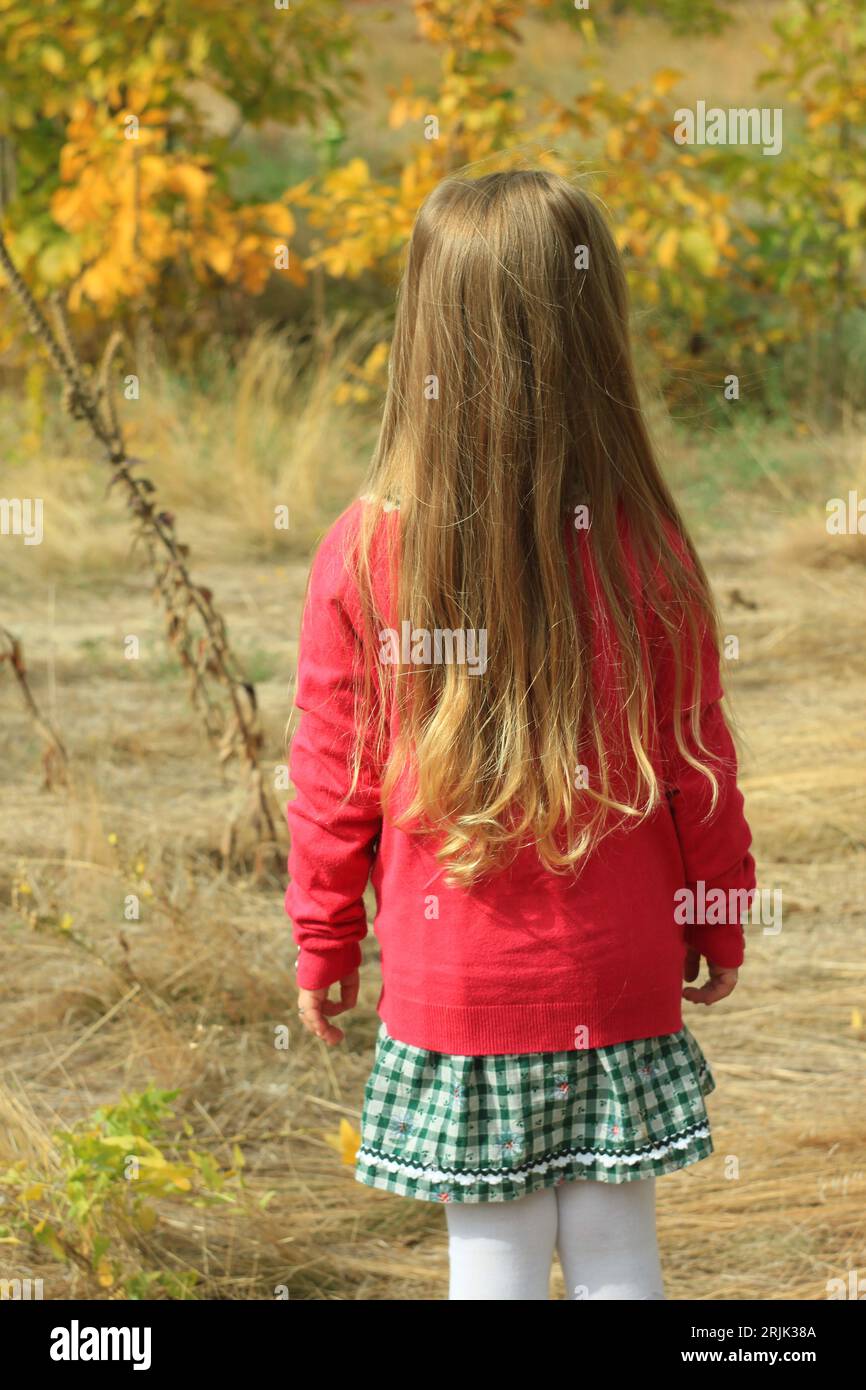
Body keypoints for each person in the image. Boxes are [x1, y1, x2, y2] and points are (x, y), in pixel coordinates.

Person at [285, 169, 756, 1301]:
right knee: (615, 1265)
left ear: (423, 330)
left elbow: (329, 780)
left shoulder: (361, 552)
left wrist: (322, 940)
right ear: (592, 335)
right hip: (623, 971)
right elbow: (700, 768)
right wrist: (718, 916)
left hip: (458, 992)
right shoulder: (643, 547)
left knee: (486, 1267)